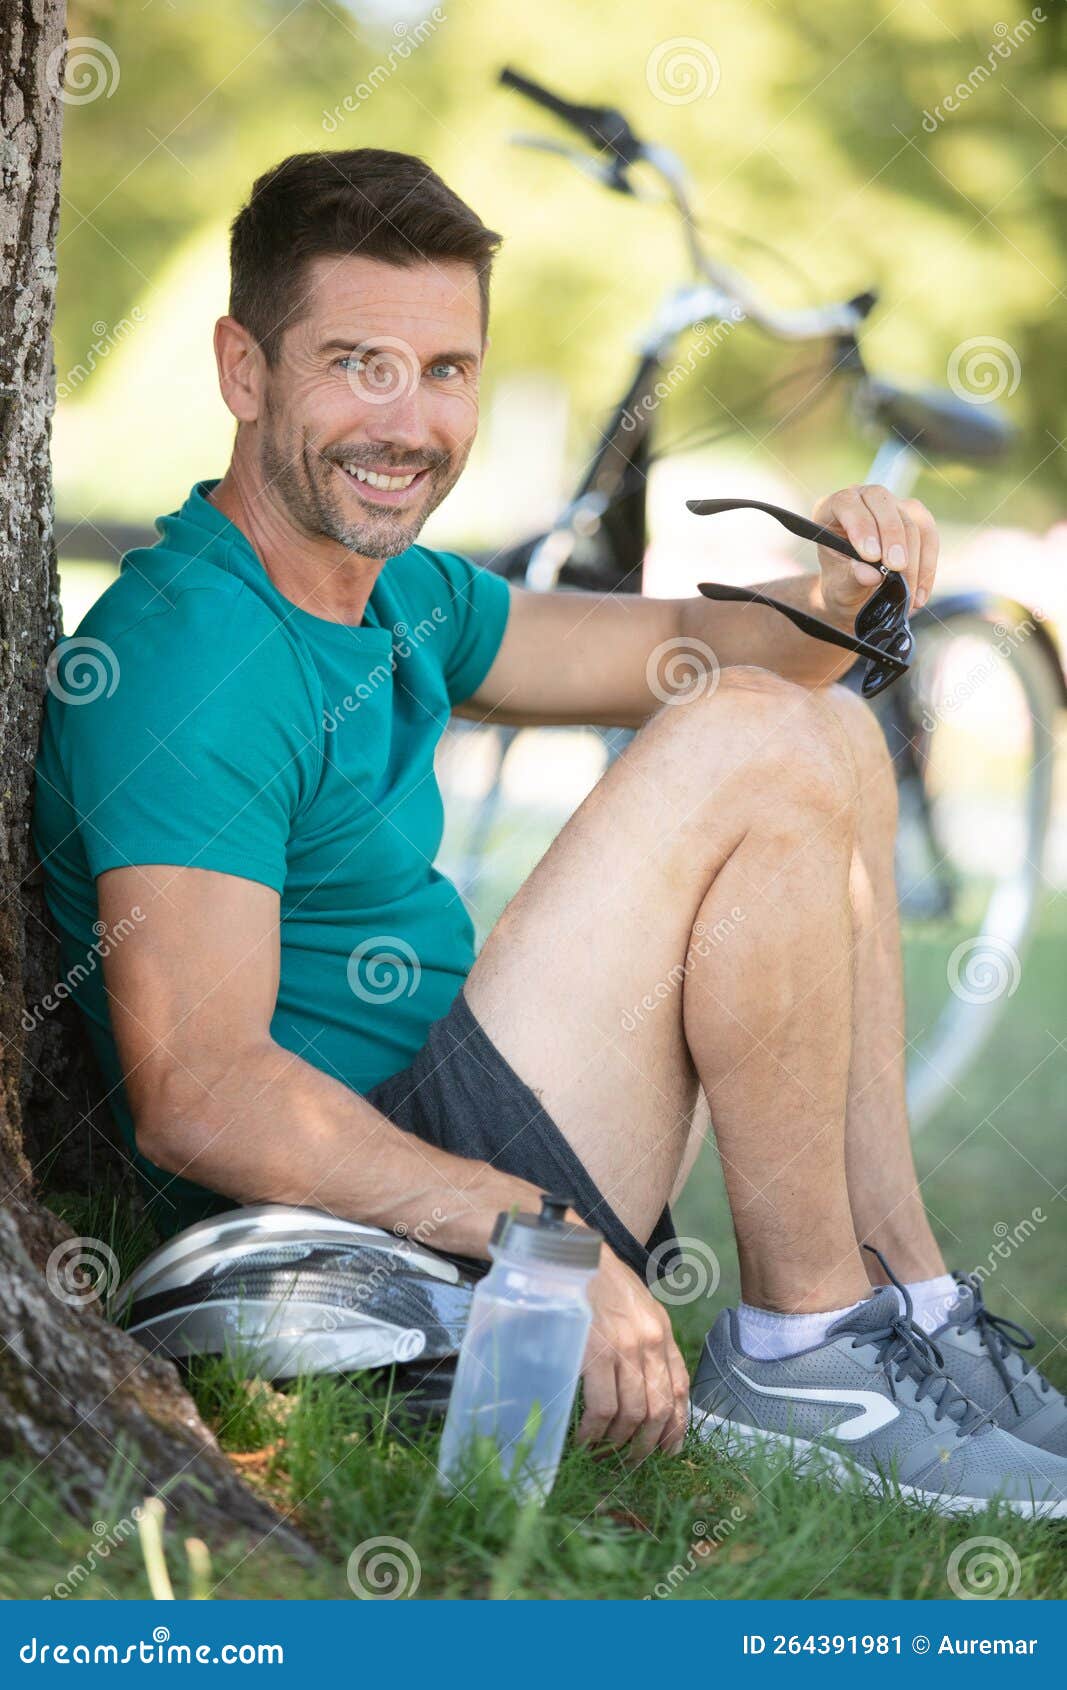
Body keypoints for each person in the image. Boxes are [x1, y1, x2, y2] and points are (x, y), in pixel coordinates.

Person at [33, 148, 1067, 1516]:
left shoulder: (399, 591)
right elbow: (204, 1091)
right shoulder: (190, 658)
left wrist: (835, 585)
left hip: (466, 1122)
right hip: (355, 1241)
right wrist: (538, 1233)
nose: (408, 421)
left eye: (445, 371)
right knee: (760, 734)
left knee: (821, 723)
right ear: (245, 370)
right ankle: (807, 1344)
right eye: (358, 365)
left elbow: (692, 642)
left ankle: (911, 1309)